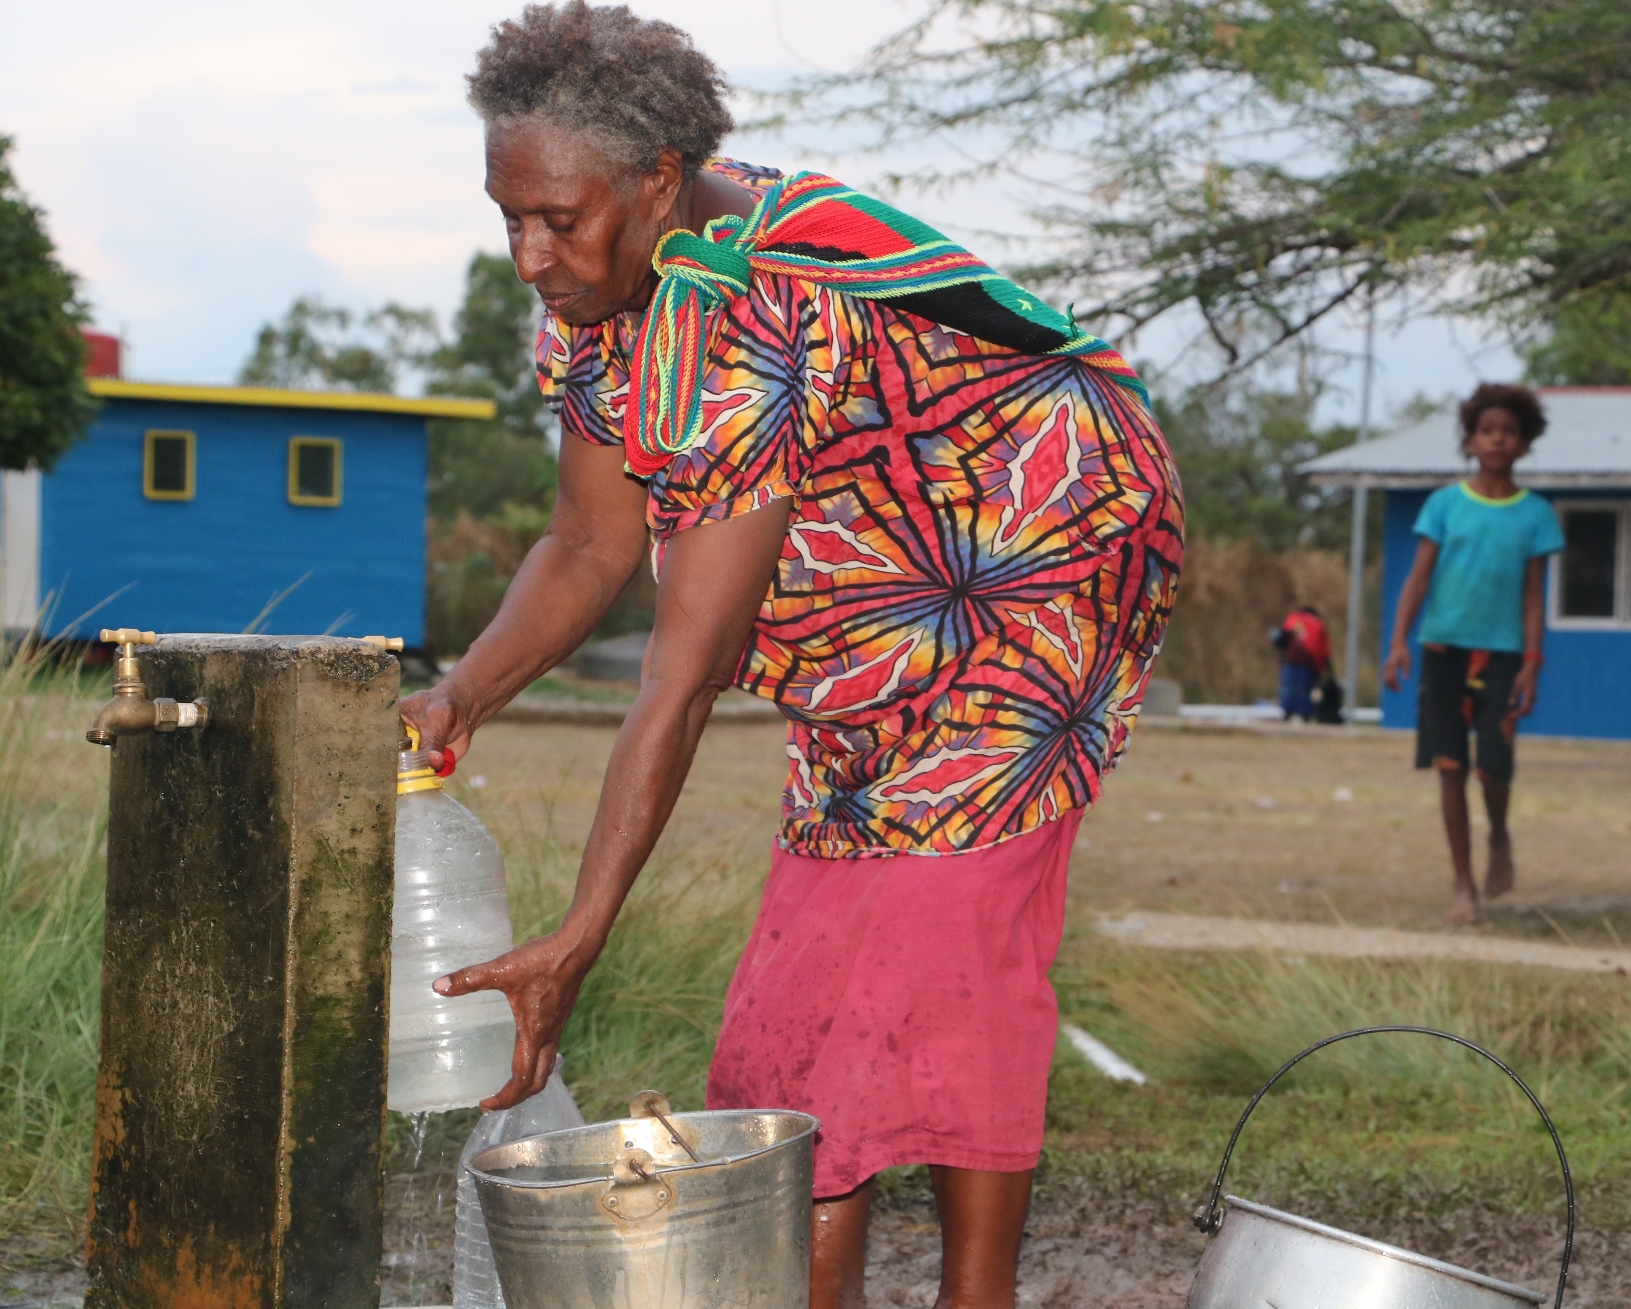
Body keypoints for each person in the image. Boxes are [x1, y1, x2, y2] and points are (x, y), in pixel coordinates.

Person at [400, 6, 1182, 1306]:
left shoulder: (748, 322)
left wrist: (579, 935)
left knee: (944, 931)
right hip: (881, 595)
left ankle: (973, 1293)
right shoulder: (608, 291)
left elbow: (681, 677)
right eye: (509, 219)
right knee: (807, 971)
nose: (531, 255)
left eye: (558, 220)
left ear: (658, 182)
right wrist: (461, 691)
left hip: (1046, 556)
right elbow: (588, 545)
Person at [1382, 383, 1563, 927]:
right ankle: (1463, 888)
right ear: (1470, 441)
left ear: (1525, 444)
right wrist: (1398, 642)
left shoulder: (1536, 514)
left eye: (1509, 432)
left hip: (1503, 655)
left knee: (1493, 766)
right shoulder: (1444, 505)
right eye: (1487, 431)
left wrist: (1533, 662)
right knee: (1450, 767)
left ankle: (1499, 834)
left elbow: (1533, 596)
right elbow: (1418, 579)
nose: (1497, 440)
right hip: (1443, 650)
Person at [1272, 605, 1330, 722]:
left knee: (1288, 691)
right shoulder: (1318, 624)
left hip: (1290, 662)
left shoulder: (1293, 618)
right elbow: (1323, 650)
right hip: (1308, 663)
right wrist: (1319, 669)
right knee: (1305, 693)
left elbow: (1282, 638)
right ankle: (1304, 717)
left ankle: (1287, 715)